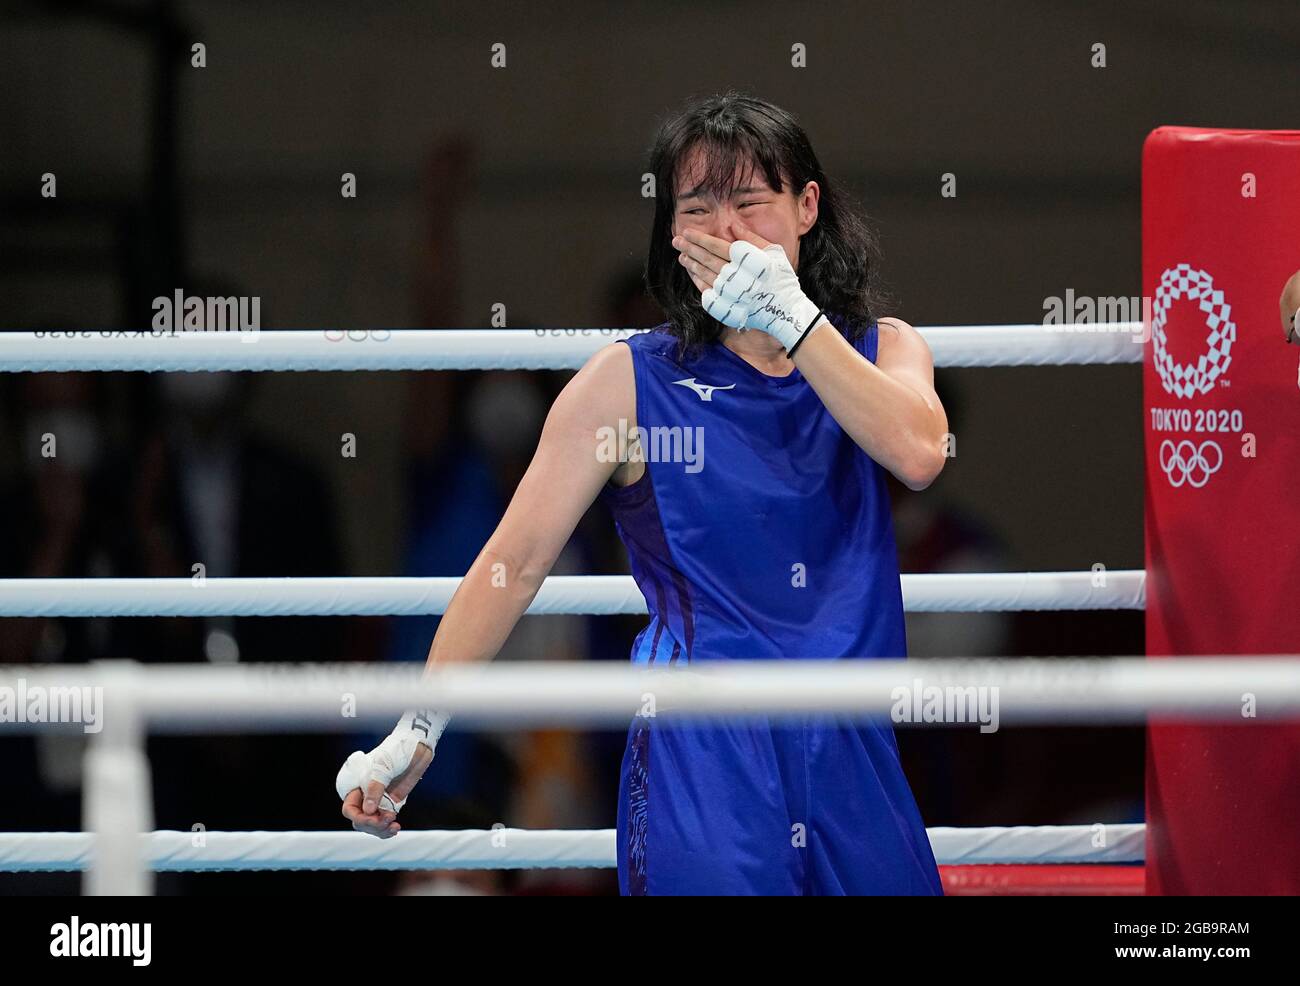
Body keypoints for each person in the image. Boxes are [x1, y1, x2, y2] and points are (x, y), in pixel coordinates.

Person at [337, 92, 950, 895]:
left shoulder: (887, 349)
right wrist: (420, 727)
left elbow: (917, 453)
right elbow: (512, 562)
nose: (726, 232)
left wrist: (796, 324)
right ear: (671, 230)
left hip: (853, 741)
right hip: (701, 750)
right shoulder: (624, 384)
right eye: (698, 207)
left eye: (750, 203)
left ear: (807, 207)